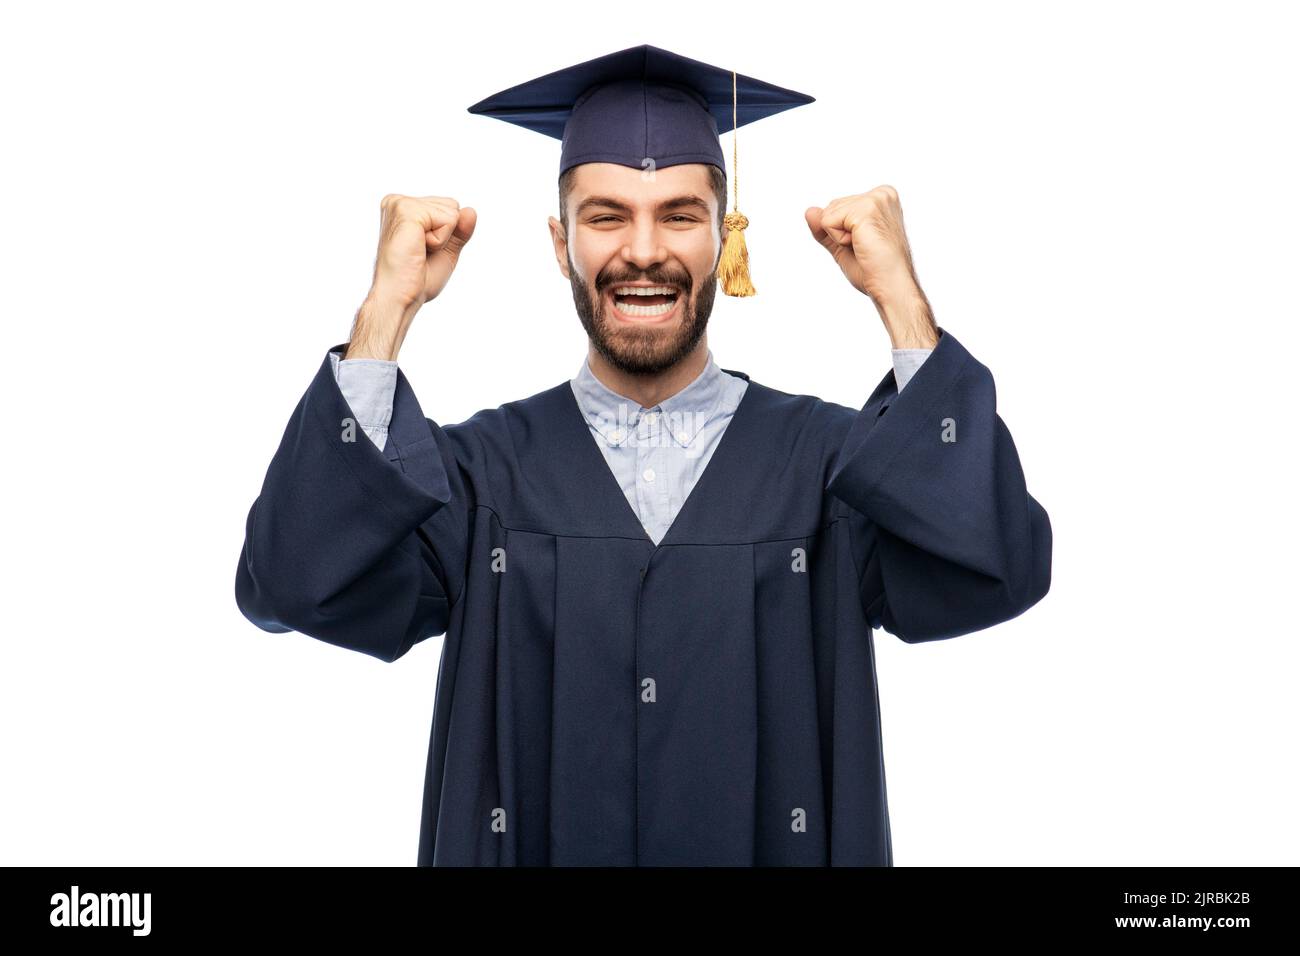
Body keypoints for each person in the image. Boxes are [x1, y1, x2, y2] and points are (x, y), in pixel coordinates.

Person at [234, 44, 1052, 866]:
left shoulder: (835, 472)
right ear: (562, 245)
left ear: (726, 239)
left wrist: (902, 302)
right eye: (606, 215)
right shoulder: (477, 479)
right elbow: (291, 582)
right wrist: (386, 313)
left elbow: (997, 568)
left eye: (681, 215)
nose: (645, 250)